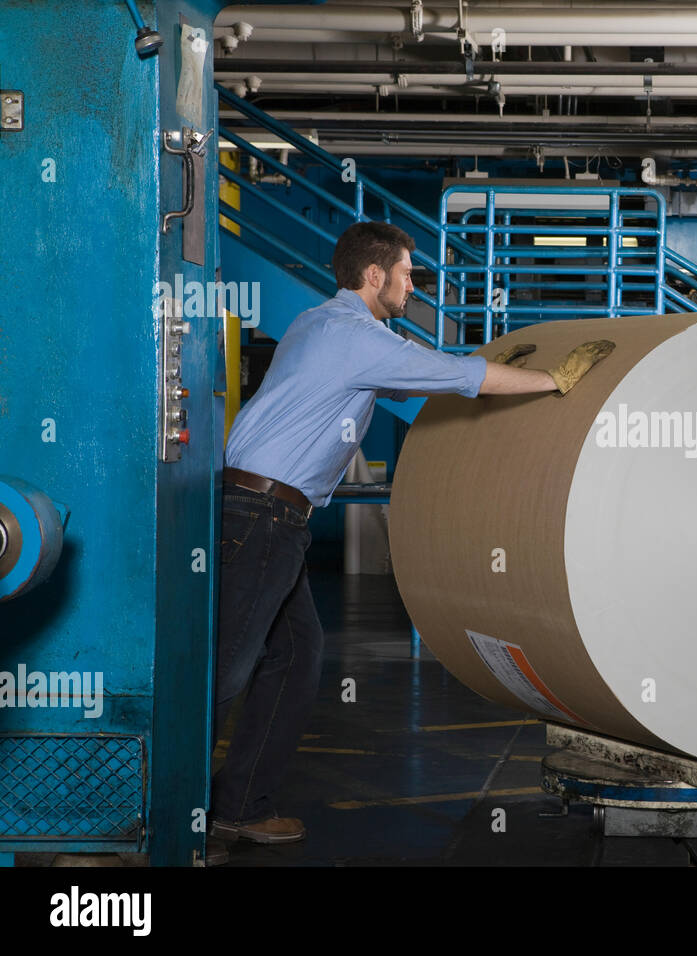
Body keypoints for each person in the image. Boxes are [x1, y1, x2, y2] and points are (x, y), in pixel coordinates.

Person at [208, 221, 612, 856]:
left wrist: (484, 368)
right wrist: (551, 381)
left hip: (264, 517)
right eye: (405, 274)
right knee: (224, 670)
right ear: (375, 277)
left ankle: (239, 806)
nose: (412, 286)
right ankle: (169, 807)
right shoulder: (352, 335)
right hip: (260, 518)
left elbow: (415, 380)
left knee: (294, 657)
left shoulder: (318, 325)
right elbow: (448, 378)